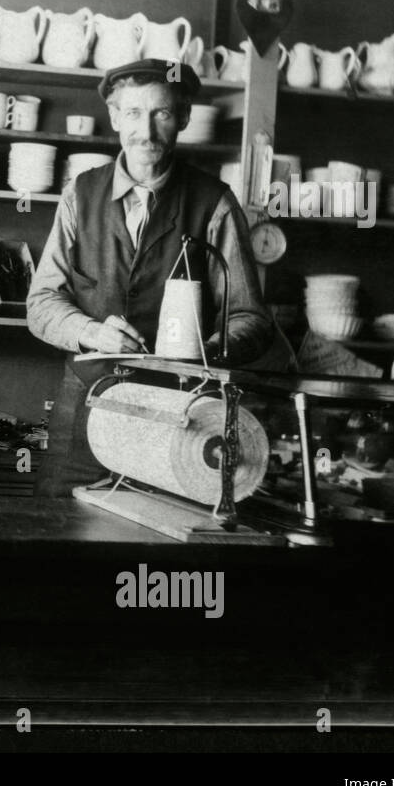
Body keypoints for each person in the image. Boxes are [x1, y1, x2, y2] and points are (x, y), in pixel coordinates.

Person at [26, 58, 286, 497]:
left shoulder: (215, 203)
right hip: (87, 404)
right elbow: (41, 304)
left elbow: (251, 318)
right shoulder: (80, 194)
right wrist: (92, 333)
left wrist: (208, 348)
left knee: (156, 538)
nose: (145, 131)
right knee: (59, 535)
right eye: (132, 113)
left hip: (180, 413)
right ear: (114, 117)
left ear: (183, 117)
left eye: (162, 113)